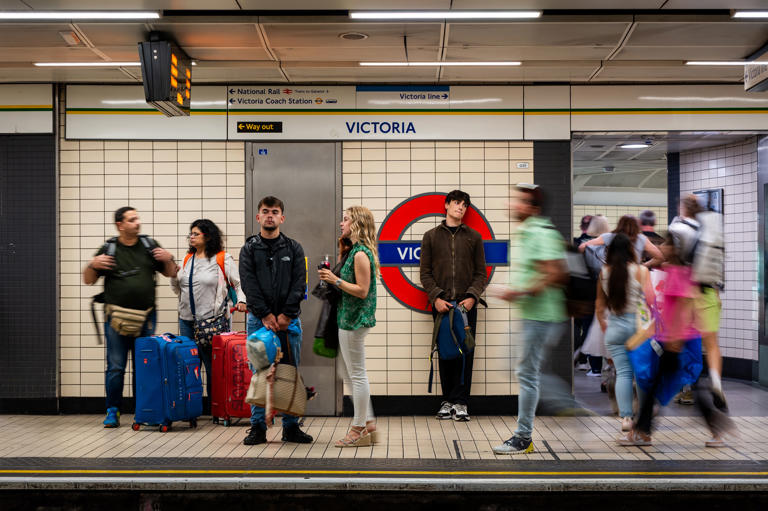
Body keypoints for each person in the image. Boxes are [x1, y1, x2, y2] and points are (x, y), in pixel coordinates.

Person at [83, 207, 177, 428]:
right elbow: (88, 280)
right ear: (120, 225)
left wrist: (169, 258)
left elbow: (171, 272)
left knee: (144, 366)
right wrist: (92, 264)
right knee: (116, 366)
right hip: (115, 318)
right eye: (132, 219)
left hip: (146, 316)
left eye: (137, 218)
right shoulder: (110, 248)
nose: (137, 222)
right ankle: (112, 410)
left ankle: (143, 410)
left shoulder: (149, 246)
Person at [492, 184, 568, 455]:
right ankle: (533, 427)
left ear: (534, 209)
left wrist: (519, 291)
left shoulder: (542, 233)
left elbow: (556, 273)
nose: (515, 205)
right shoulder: (526, 232)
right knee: (521, 370)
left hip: (541, 316)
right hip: (529, 314)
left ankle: (524, 437)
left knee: (527, 373)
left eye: (522, 202)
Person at [239, 196, 312, 445]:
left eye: (275, 212)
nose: (270, 215)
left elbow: (299, 284)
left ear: (283, 217)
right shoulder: (249, 249)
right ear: (258, 217)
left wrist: (285, 315)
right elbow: (249, 284)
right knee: (259, 374)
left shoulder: (294, 249)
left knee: (289, 372)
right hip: (259, 322)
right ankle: (257, 428)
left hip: (289, 322)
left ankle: (291, 428)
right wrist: (266, 315)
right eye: (265, 211)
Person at [419, 189, 487, 422]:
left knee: (466, 352)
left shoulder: (474, 237)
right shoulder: (430, 236)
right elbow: (425, 273)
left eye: (465, 205)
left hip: (465, 306)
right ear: (446, 205)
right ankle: (447, 400)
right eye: (457, 203)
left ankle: (461, 402)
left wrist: (472, 297)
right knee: (446, 353)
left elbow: (481, 273)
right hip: (441, 306)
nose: (461, 207)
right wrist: (436, 297)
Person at [318, 206, 379, 447]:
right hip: (347, 318)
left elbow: (362, 291)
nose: (341, 223)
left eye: (345, 220)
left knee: (356, 374)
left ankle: (358, 428)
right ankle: (369, 421)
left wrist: (335, 280)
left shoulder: (361, 254)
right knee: (347, 372)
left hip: (355, 320)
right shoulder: (354, 251)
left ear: (357, 224)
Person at [171, 219, 247, 399]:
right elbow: (177, 289)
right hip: (187, 320)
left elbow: (238, 284)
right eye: (190, 233)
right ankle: (193, 406)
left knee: (214, 367)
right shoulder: (187, 259)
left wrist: (242, 300)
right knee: (189, 365)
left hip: (212, 321)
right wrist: (173, 275)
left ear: (208, 236)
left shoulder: (222, 259)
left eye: (196, 234)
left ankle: (216, 406)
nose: (191, 237)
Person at [595, 233, 656, 433]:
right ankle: (642, 418)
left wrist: (605, 327)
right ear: (631, 250)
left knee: (622, 373)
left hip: (614, 326)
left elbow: (599, 305)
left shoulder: (604, 272)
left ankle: (626, 418)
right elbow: (651, 299)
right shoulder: (641, 270)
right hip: (637, 328)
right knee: (641, 374)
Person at [580, 215, 664, 269]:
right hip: (634, 273)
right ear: (636, 226)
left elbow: (583, 246)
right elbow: (659, 257)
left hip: (613, 273)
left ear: (619, 224)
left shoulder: (609, 236)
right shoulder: (642, 239)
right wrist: (643, 266)